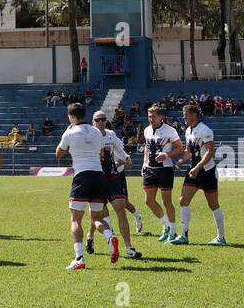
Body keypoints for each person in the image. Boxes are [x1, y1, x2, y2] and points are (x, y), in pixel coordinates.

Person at [57, 102, 116, 269]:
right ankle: (110, 235)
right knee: (97, 219)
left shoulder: (71, 132)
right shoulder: (97, 132)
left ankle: (79, 258)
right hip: (98, 176)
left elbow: (59, 153)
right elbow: (100, 153)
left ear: (72, 117)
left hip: (82, 176)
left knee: (75, 219)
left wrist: (66, 133)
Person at [87, 110, 141, 259]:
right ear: (93, 122)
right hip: (96, 180)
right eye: (97, 120)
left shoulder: (111, 134)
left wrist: (127, 158)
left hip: (112, 177)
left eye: (103, 119)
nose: (100, 122)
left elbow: (119, 150)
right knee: (97, 215)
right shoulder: (89, 136)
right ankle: (90, 237)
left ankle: (129, 249)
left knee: (121, 210)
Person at [171, 103, 225, 245]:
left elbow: (209, 152)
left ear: (194, 115)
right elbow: (189, 151)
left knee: (213, 204)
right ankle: (184, 236)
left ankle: (221, 237)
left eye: (186, 114)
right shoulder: (188, 130)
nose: (184, 116)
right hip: (193, 171)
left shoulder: (205, 130)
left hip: (207, 172)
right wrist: (182, 160)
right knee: (183, 200)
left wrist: (198, 167)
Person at [141, 105, 184, 242]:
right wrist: (144, 162)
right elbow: (147, 147)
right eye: (149, 116)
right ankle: (166, 226)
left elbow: (180, 148)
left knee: (167, 202)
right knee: (148, 201)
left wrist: (166, 155)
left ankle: (172, 231)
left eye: (153, 116)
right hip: (150, 169)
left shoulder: (170, 131)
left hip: (165, 169)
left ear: (161, 117)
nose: (151, 119)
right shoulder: (147, 130)